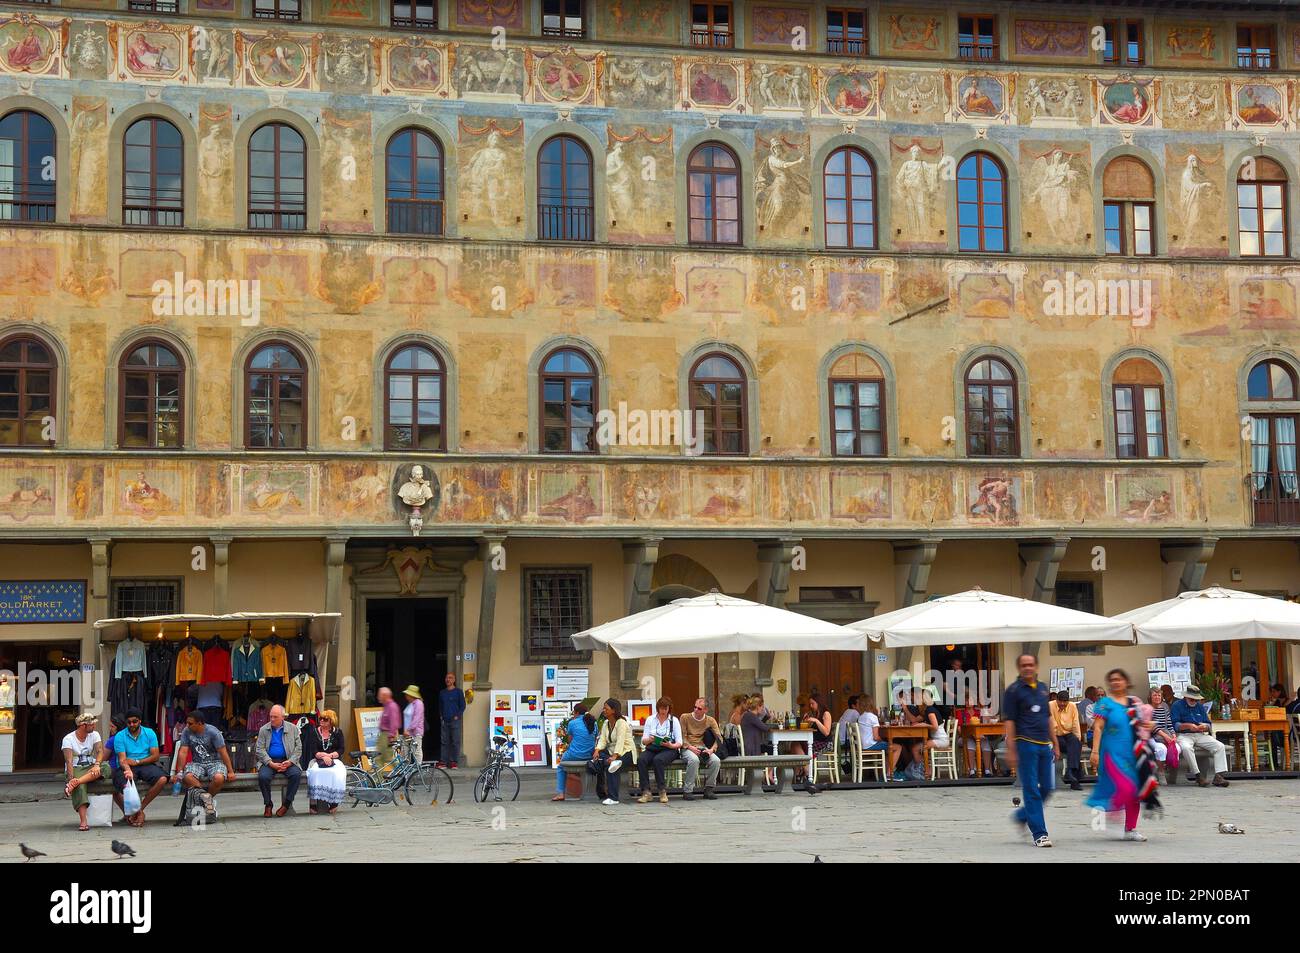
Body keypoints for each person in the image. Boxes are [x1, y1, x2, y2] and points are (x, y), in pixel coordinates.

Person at [1088, 668, 1159, 842]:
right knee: (1124, 787)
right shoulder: (1104, 703)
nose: (1115, 682)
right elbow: (1097, 727)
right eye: (1112, 679)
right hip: (1111, 752)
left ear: (1126, 682)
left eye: (1119, 679)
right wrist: (1095, 751)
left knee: (1135, 790)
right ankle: (1110, 809)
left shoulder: (1133, 702)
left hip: (1132, 752)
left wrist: (1148, 725)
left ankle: (1130, 829)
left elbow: (1139, 724)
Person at [1003, 653, 1059, 848]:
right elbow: (1009, 721)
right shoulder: (1013, 691)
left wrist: (1055, 742)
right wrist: (1011, 748)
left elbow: (1048, 717)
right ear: (1019, 668)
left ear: (1036, 666)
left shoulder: (1043, 688)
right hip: (1025, 743)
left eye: (1031, 664)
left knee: (1048, 788)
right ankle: (1040, 833)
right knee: (1031, 789)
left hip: (1044, 744)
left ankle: (1021, 815)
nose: (1028, 668)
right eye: (1024, 665)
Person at [172, 710, 235, 822]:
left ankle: (204, 804)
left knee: (219, 778)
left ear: (200, 723)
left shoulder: (213, 732)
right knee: (188, 777)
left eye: (190, 723)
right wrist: (179, 771)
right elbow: (183, 752)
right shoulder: (187, 732)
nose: (187, 725)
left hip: (215, 762)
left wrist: (230, 771)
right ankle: (208, 803)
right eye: (187, 723)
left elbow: (223, 752)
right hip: (197, 763)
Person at [111, 708, 167, 827]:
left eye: (135, 721)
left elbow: (155, 756)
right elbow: (122, 759)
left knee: (162, 779)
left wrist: (137, 761)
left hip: (145, 764)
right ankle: (139, 813)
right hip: (127, 765)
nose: (132, 724)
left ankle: (138, 810)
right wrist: (128, 770)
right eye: (129, 722)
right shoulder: (120, 736)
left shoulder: (149, 733)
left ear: (140, 721)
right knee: (126, 782)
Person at [1170, 685, 1229, 787]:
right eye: (1192, 699)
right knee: (1186, 748)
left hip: (1200, 734)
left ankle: (1219, 776)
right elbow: (1175, 724)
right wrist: (1187, 726)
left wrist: (1205, 726)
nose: (1194, 701)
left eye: (1196, 699)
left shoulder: (1199, 706)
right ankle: (1198, 775)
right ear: (1186, 697)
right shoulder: (1177, 705)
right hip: (1184, 735)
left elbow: (1208, 723)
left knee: (1220, 746)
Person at [256, 704, 302, 817]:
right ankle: (268, 804)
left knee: (296, 774)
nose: (272, 719)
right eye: (270, 716)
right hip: (269, 761)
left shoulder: (293, 728)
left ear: (283, 717)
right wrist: (271, 763)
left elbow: (299, 748)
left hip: (288, 760)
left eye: (275, 717)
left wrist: (290, 761)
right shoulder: (264, 729)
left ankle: (286, 804)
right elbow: (259, 749)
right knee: (263, 777)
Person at [62, 713, 107, 832]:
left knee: (104, 767)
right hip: (76, 767)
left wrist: (97, 764)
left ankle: (75, 783)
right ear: (83, 725)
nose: (94, 725)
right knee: (80, 787)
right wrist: (71, 778)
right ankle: (83, 821)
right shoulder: (68, 739)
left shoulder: (94, 734)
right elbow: (69, 761)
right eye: (91, 723)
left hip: (91, 766)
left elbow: (99, 751)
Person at [637, 697, 682, 804]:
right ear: (658, 708)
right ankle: (646, 792)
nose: (663, 711)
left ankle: (662, 791)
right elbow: (644, 740)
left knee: (658, 760)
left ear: (669, 709)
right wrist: (650, 739)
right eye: (661, 708)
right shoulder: (650, 719)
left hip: (669, 749)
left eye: (665, 709)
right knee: (641, 759)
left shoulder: (674, 721)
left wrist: (670, 744)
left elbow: (679, 742)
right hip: (653, 747)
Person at [591, 699, 636, 805]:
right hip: (612, 752)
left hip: (626, 752)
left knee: (612, 766)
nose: (604, 710)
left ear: (614, 710)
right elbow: (602, 739)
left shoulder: (622, 723)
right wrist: (597, 750)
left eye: (606, 708)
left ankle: (613, 798)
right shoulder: (606, 723)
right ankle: (608, 794)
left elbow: (620, 741)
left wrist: (615, 756)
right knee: (602, 758)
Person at [302, 709, 347, 814]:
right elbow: (313, 750)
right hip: (317, 759)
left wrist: (330, 756)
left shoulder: (338, 732)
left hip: (334, 759)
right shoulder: (314, 732)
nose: (321, 721)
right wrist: (323, 756)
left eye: (325, 719)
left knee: (337, 773)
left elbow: (341, 749)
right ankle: (313, 803)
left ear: (331, 721)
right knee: (314, 772)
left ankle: (334, 802)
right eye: (320, 718)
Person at [680, 696, 722, 800]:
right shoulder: (685, 717)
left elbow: (719, 738)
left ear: (705, 710)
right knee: (694, 760)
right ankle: (688, 790)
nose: (695, 710)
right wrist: (690, 747)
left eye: (699, 708)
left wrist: (711, 750)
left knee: (716, 761)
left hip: (703, 747)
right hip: (688, 747)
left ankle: (709, 789)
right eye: (695, 707)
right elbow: (681, 736)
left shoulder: (710, 720)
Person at [554, 703, 597, 802]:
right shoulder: (593, 722)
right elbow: (594, 739)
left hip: (574, 754)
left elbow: (570, 741)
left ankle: (561, 793)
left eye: (574, 712)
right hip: (589, 754)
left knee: (561, 767)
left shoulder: (572, 723)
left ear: (576, 712)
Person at [1051, 690, 1083, 791]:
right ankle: (1074, 780)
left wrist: (1078, 740)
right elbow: (1051, 726)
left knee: (1076, 743)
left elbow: (1075, 723)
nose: (1062, 704)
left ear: (1068, 701)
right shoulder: (1050, 706)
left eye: (1065, 702)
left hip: (1068, 734)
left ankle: (1070, 771)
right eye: (1060, 701)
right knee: (1074, 748)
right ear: (1056, 700)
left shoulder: (1072, 706)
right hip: (1054, 736)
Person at [1149, 689, 1178, 784]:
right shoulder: (1148, 709)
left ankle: (1172, 773)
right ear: (1150, 697)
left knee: (1177, 748)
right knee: (1161, 749)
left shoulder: (1165, 708)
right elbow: (1153, 727)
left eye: (1159, 695)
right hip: (1153, 736)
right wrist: (1165, 736)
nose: (1157, 697)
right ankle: (1160, 772)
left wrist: (1173, 735)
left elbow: (1169, 724)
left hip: (1166, 734)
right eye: (1154, 695)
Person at [438, 672, 466, 769]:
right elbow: (440, 706)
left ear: (454, 680)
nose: (448, 680)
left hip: (455, 721)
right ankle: (443, 762)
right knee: (444, 742)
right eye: (447, 678)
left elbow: (463, 706)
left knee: (455, 741)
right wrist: (441, 716)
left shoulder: (458, 692)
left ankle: (454, 762)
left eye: (450, 678)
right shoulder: (442, 693)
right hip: (445, 720)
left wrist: (457, 716)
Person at [375, 686, 401, 771]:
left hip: (387, 735)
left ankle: (403, 774)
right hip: (385, 734)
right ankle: (378, 781)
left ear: (385, 695)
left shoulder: (391, 706)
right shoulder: (387, 706)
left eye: (379, 695)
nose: (378, 697)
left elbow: (394, 722)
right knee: (381, 758)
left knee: (383, 758)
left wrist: (391, 736)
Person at [402, 684, 425, 764]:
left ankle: (417, 770)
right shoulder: (411, 704)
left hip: (415, 732)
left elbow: (416, 719)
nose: (405, 695)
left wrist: (408, 729)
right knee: (405, 752)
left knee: (417, 751)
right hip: (408, 733)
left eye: (407, 694)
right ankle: (406, 771)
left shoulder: (418, 703)